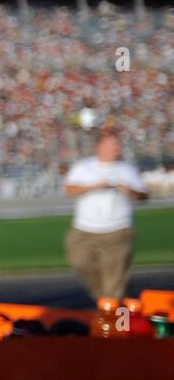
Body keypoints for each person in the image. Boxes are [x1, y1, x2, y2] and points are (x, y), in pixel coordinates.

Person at [63, 128, 148, 302]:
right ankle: (108, 302)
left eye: (117, 145)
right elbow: (69, 189)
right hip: (84, 229)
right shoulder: (83, 167)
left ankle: (118, 316)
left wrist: (129, 191)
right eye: (111, 144)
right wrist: (93, 186)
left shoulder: (127, 170)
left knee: (115, 282)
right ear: (99, 146)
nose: (115, 148)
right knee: (80, 263)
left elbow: (143, 195)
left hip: (118, 230)